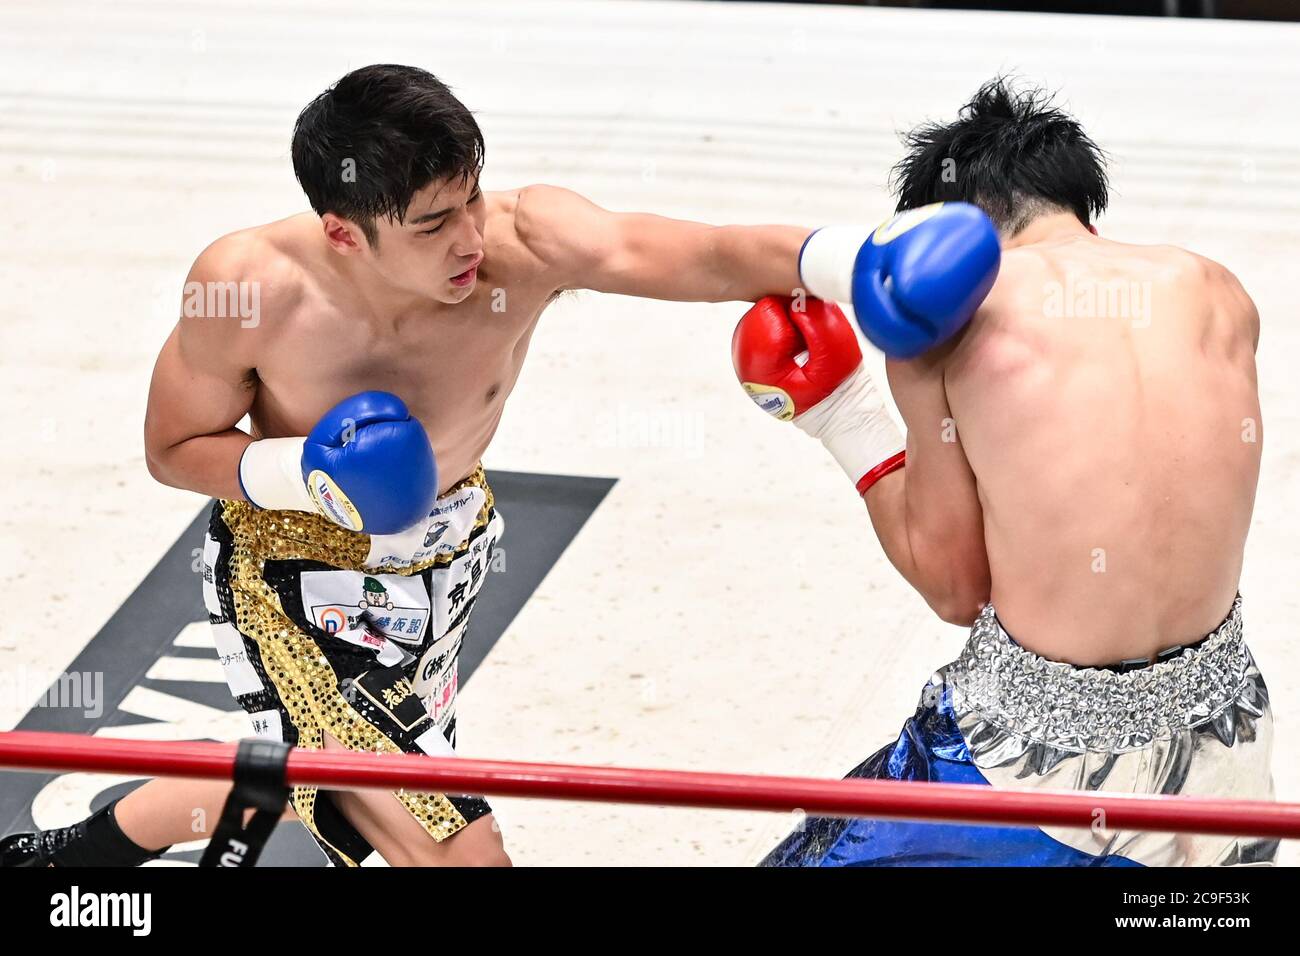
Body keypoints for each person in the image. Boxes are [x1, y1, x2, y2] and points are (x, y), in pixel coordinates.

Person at [736, 79, 1274, 866]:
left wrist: (842, 416)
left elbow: (956, 589)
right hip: (1228, 759)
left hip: (1030, 767)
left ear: (944, 237)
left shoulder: (950, 322)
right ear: (1083, 207)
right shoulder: (1218, 291)